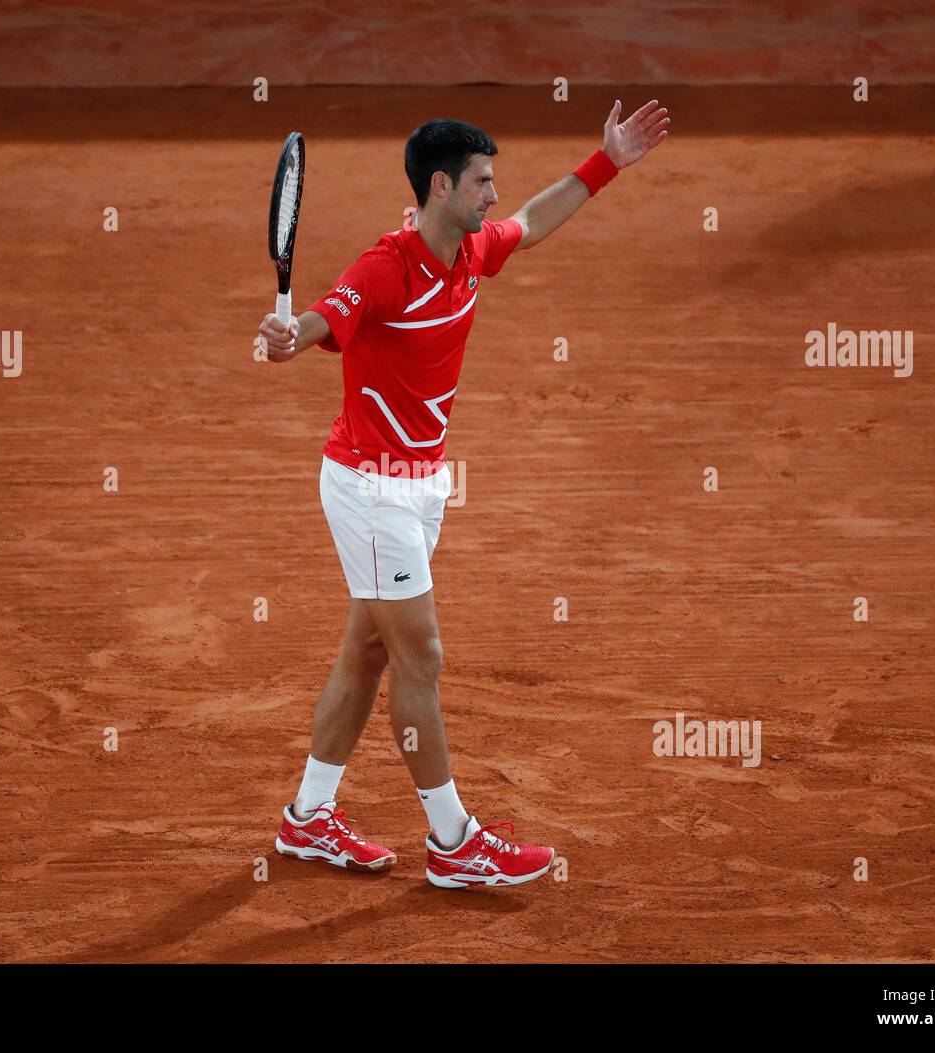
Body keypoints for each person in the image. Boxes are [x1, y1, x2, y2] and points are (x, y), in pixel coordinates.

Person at [257, 100, 669, 888]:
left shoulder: (471, 251)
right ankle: (454, 841)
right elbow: (322, 317)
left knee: (369, 648)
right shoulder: (385, 267)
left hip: (421, 487)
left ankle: (308, 818)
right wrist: (288, 335)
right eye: (481, 182)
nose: (491, 194)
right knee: (423, 657)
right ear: (440, 186)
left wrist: (606, 159)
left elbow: (534, 221)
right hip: (372, 489)